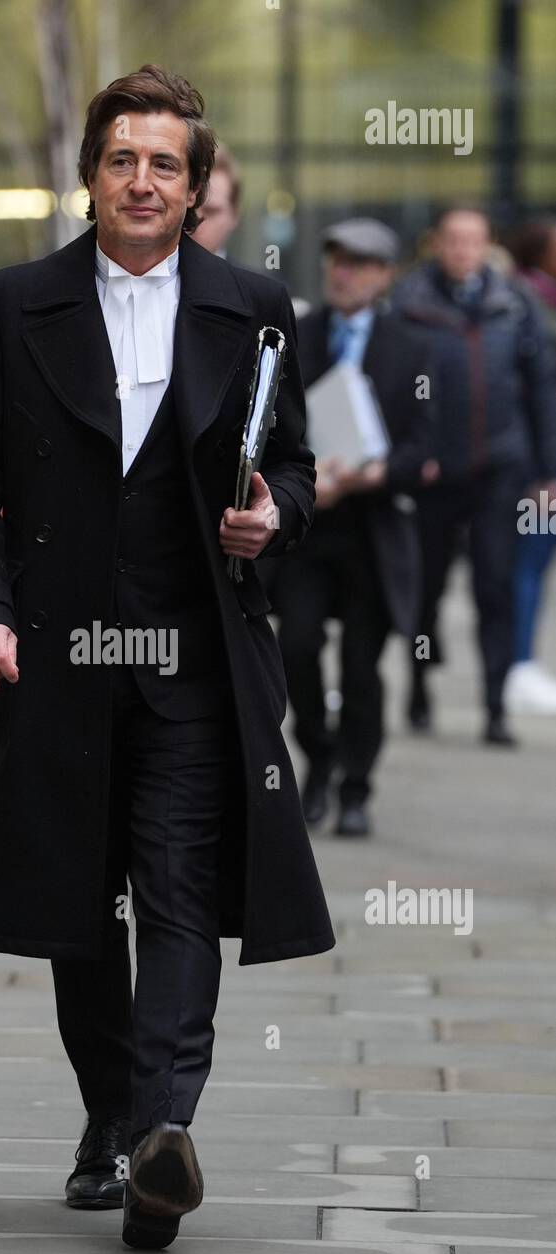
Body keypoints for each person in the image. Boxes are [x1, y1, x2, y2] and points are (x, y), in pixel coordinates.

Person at [0, 64, 334, 1252]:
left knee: (177, 892)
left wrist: (276, 517)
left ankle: (164, 1129)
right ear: (89, 176)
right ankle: (111, 1117)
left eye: (165, 163)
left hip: (195, 655)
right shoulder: (16, 304)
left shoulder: (254, 305)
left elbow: (294, 467)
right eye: (122, 159)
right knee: (73, 904)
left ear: (197, 187)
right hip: (55, 660)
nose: (142, 180)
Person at [268, 219, 435, 837]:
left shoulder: (411, 349)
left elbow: (424, 453)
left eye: (361, 264)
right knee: (297, 648)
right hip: (309, 531)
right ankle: (318, 758)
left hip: (373, 532)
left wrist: (373, 474)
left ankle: (357, 786)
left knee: (363, 669)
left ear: (384, 276)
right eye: (337, 258)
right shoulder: (295, 336)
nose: (344, 272)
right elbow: (269, 429)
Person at [392, 205, 556, 745]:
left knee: (496, 585)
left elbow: (542, 386)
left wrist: (548, 470)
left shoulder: (515, 304)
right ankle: (418, 685)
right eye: (454, 239)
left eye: (474, 240)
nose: (464, 250)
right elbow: (390, 384)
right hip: (434, 473)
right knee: (427, 585)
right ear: (438, 244)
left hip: (499, 468)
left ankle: (494, 706)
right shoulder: (411, 303)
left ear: (487, 246)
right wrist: (408, 456)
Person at [502, 220, 556, 714]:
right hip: (539, 472)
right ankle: (517, 664)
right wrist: (546, 473)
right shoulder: (529, 306)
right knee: (530, 564)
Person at [188, 142, 241, 257]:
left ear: (234, 215)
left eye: (211, 211)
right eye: (188, 210)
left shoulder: (250, 275)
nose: (195, 223)